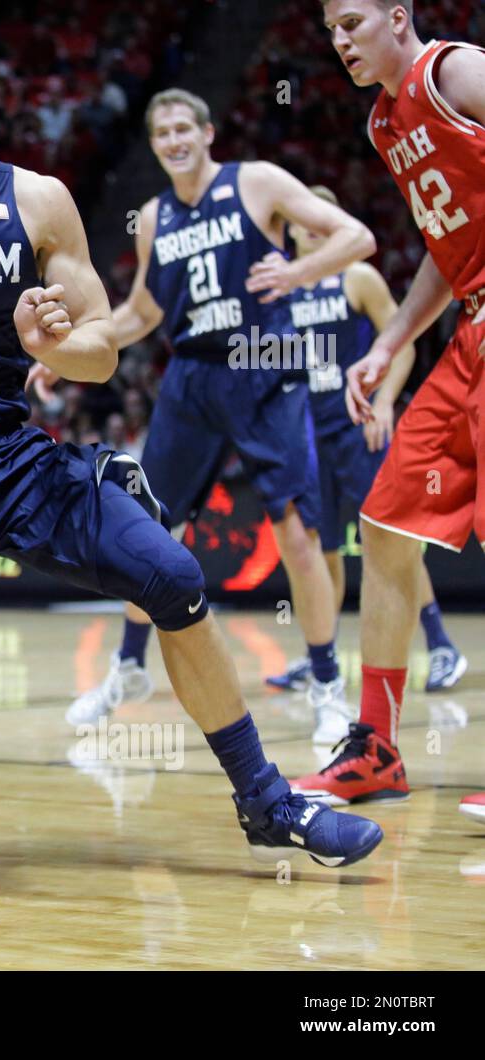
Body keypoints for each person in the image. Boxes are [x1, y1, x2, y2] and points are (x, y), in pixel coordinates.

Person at [0, 27, 383, 872]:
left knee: (173, 574)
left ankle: (266, 801)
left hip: (7, 451)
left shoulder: (39, 203)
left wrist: (51, 345)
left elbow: (102, 352)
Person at [67, 86, 378, 747]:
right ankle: (126, 667)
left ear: (208, 133)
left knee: (297, 531)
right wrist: (67, 349)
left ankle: (327, 685)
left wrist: (299, 272)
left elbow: (356, 236)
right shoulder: (153, 216)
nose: (174, 140)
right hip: (193, 376)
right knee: (144, 527)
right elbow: (142, 314)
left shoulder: (256, 182)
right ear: (153, 145)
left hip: (265, 364)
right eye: (162, 133)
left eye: (184, 127)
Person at [298, 1, 485, 819]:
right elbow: (449, 254)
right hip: (469, 329)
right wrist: (390, 343)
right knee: (386, 523)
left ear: (397, 17)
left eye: (352, 22)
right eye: (331, 30)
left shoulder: (453, 72)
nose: (340, 41)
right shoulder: (384, 123)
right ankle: (375, 748)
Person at [266, 184, 465, 695]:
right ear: (286, 227)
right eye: (301, 218)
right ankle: (321, 655)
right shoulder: (278, 286)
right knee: (320, 550)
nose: (311, 226)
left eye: (323, 216)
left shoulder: (356, 276)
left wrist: (384, 403)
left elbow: (399, 345)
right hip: (305, 439)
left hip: (355, 428)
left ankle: (442, 644)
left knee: (392, 543)